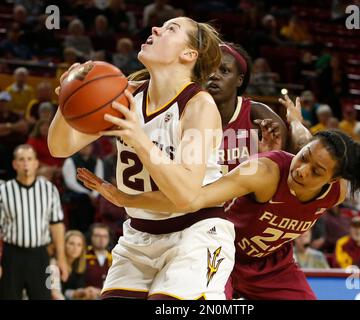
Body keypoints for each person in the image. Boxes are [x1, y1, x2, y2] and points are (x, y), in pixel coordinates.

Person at [78, 126, 360, 300]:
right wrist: (126, 198)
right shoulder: (264, 171)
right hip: (221, 255)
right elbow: (193, 199)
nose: (302, 171)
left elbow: (320, 152)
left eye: (316, 171)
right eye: (303, 157)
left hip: (273, 265)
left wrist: (298, 126)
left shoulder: (337, 192)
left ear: (332, 179)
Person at [49, 17, 236, 300]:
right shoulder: (128, 94)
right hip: (139, 235)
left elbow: (185, 195)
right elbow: (60, 147)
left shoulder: (199, 107)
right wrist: (67, 101)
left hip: (195, 233)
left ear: (188, 54)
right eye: (160, 25)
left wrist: (138, 138)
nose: (156, 29)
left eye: (171, 29)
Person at [205, 42, 311, 173]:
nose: (213, 75)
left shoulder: (259, 114)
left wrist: (296, 123)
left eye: (224, 70)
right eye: (208, 69)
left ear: (240, 80)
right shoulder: (187, 110)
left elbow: (303, 154)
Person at [0, 144, 67, 299]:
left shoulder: (49, 189)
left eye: (29, 159)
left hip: (40, 255)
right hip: (12, 255)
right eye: (21, 159)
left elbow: (57, 225)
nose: (25, 164)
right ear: (14, 164)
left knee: (43, 295)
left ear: (36, 163)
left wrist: (61, 258)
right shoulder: (4, 191)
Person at [62, 144, 104, 233]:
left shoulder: (97, 161)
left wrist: (94, 194)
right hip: (75, 194)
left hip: (94, 194)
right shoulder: (70, 161)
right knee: (83, 200)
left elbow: (99, 181)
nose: (86, 148)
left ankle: (93, 231)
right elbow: (70, 183)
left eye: (88, 146)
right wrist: (87, 193)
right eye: (84, 146)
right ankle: (80, 231)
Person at [51, 230, 100, 300]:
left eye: (79, 245)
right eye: (71, 243)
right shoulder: (54, 263)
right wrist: (74, 293)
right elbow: (54, 292)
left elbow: (77, 289)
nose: (75, 248)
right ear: (63, 245)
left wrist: (86, 291)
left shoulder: (80, 265)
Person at [84, 223, 112, 290]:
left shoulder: (115, 257)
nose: (101, 239)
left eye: (105, 236)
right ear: (91, 237)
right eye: (97, 236)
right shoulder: (83, 256)